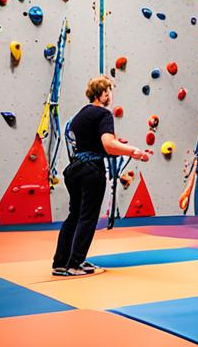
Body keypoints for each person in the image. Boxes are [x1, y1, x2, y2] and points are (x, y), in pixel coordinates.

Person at [52, 76, 148, 276]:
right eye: (110, 91)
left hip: (75, 169)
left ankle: (61, 262)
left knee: (74, 216)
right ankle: (75, 263)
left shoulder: (80, 115)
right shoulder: (104, 114)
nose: (111, 95)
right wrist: (133, 151)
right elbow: (108, 145)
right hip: (91, 170)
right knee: (87, 218)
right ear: (103, 94)